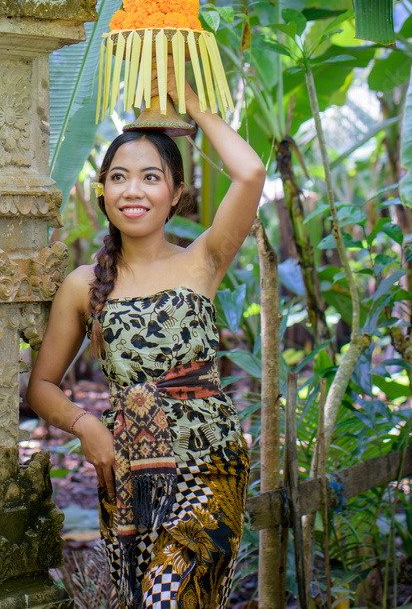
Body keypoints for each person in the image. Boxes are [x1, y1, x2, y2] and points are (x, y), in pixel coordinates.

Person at [26, 73, 265, 609]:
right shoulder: (83, 285)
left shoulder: (202, 259)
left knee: (170, 597)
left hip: (210, 464)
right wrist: (85, 425)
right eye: (119, 177)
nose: (133, 190)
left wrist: (194, 107)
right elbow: (41, 386)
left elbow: (249, 173)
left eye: (151, 177)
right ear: (102, 191)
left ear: (176, 192)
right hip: (127, 470)